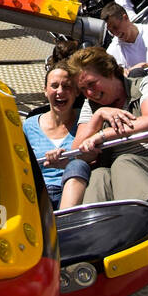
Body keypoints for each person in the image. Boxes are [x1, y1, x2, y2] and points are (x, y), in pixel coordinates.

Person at [62, 46, 148, 207]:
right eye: (83, 89)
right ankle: (93, 225)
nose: (89, 93)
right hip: (112, 172)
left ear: (110, 73)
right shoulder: (91, 106)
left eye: (92, 84)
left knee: (124, 162)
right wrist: (99, 116)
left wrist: (104, 134)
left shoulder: (143, 85)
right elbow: (78, 153)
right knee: (98, 175)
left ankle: (142, 216)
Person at [24, 63, 89, 209]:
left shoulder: (85, 120)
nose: (60, 92)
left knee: (77, 165)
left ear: (76, 92)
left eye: (66, 87)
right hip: (39, 193)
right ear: (45, 91)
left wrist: (69, 160)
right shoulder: (29, 125)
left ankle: (65, 220)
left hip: (76, 192)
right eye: (54, 86)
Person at [102, 2, 148, 74]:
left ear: (125, 18)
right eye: (110, 31)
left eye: (115, 27)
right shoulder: (112, 52)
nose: (115, 33)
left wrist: (145, 66)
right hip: (140, 85)